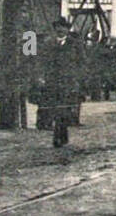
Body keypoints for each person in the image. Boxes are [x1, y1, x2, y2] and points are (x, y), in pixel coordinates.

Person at [33, 18, 84, 147]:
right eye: (58, 27)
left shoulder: (75, 44)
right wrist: (40, 76)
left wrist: (78, 78)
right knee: (55, 109)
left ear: (67, 29)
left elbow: (82, 62)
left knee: (65, 109)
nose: (60, 30)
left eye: (63, 27)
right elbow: (41, 61)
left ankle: (61, 133)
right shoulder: (48, 43)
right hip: (52, 81)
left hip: (69, 81)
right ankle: (59, 135)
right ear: (55, 29)